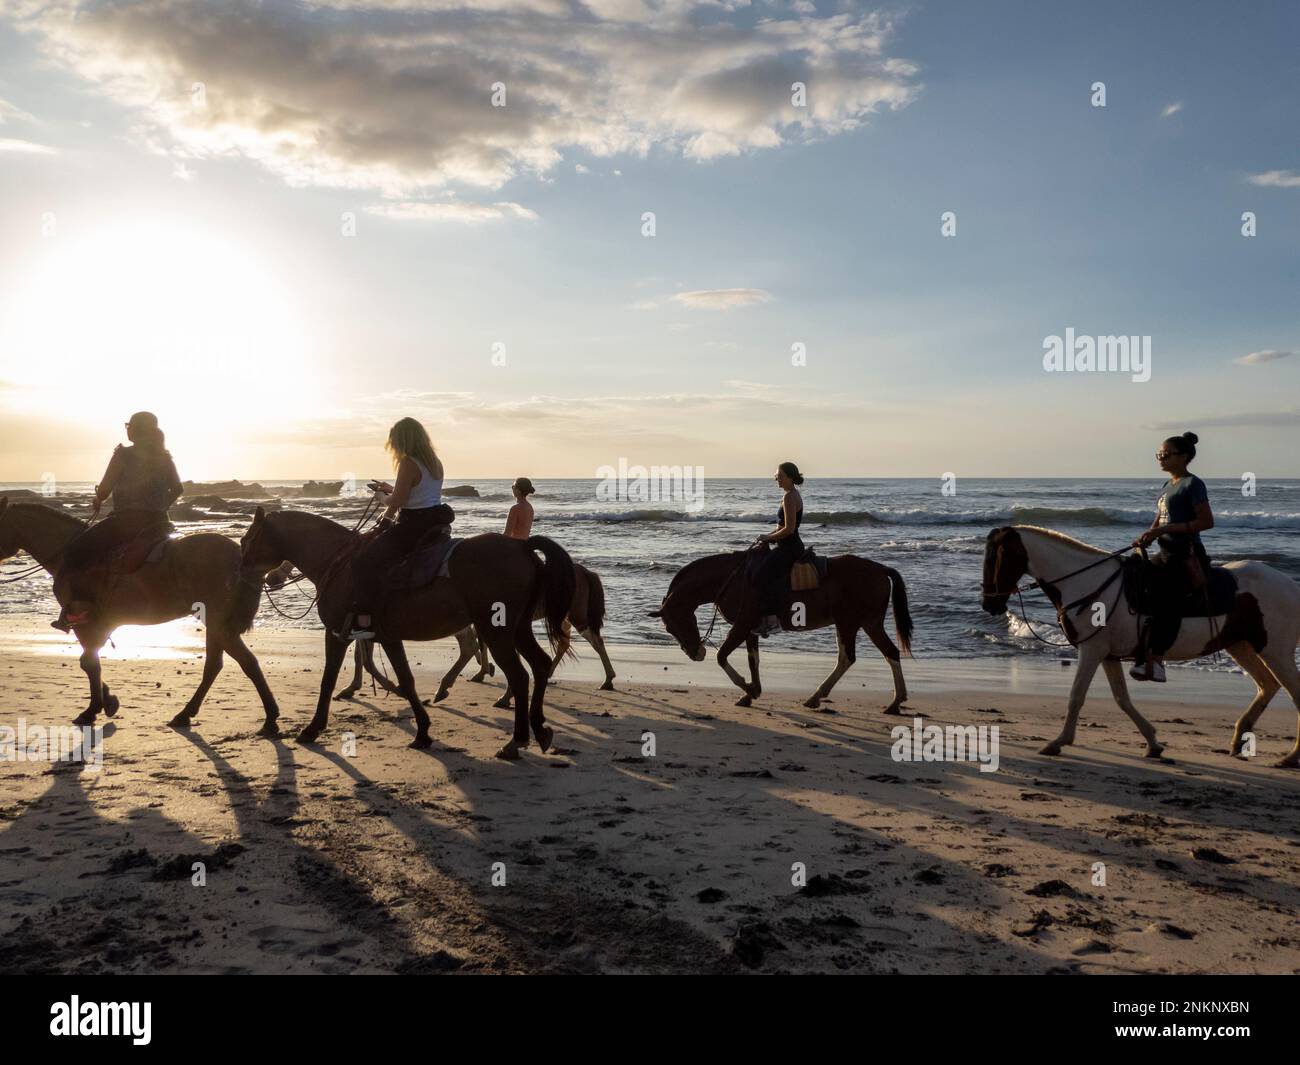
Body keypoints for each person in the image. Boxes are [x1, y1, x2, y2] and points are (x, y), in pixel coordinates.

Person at [54, 412, 182, 631]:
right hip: (160, 523)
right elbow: (178, 488)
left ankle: (81, 612)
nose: (127, 429)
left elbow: (104, 489)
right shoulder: (164, 456)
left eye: (129, 425)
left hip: (126, 522)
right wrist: (160, 506)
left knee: (75, 551)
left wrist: (98, 499)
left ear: (136, 429)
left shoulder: (123, 455)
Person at [346, 418, 445, 640]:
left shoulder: (408, 463)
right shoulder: (434, 462)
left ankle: (364, 624)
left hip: (412, 526)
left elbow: (398, 501)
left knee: (363, 562)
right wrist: (391, 489)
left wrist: (382, 496)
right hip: (434, 523)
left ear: (402, 440)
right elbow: (419, 493)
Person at [1130, 431, 1214, 682]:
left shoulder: (1193, 483)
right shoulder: (1167, 485)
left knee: (1165, 598)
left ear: (1183, 456)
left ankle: (1157, 660)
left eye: (1166, 455)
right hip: (1164, 550)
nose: (1161, 458)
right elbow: (1161, 518)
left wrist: (1164, 530)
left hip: (1184, 553)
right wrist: (1149, 534)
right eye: (1159, 454)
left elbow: (1206, 521)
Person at [751, 462, 805, 638]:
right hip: (787, 545)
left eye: (780, 476)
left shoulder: (790, 497)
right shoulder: (791, 494)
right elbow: (781, 526)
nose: (777, 479)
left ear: (790, 477)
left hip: (789, 547)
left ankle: (773, 621)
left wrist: (768, 538)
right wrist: (767, 536)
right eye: (776, 476)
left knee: (761, 575)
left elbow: (789, 529)